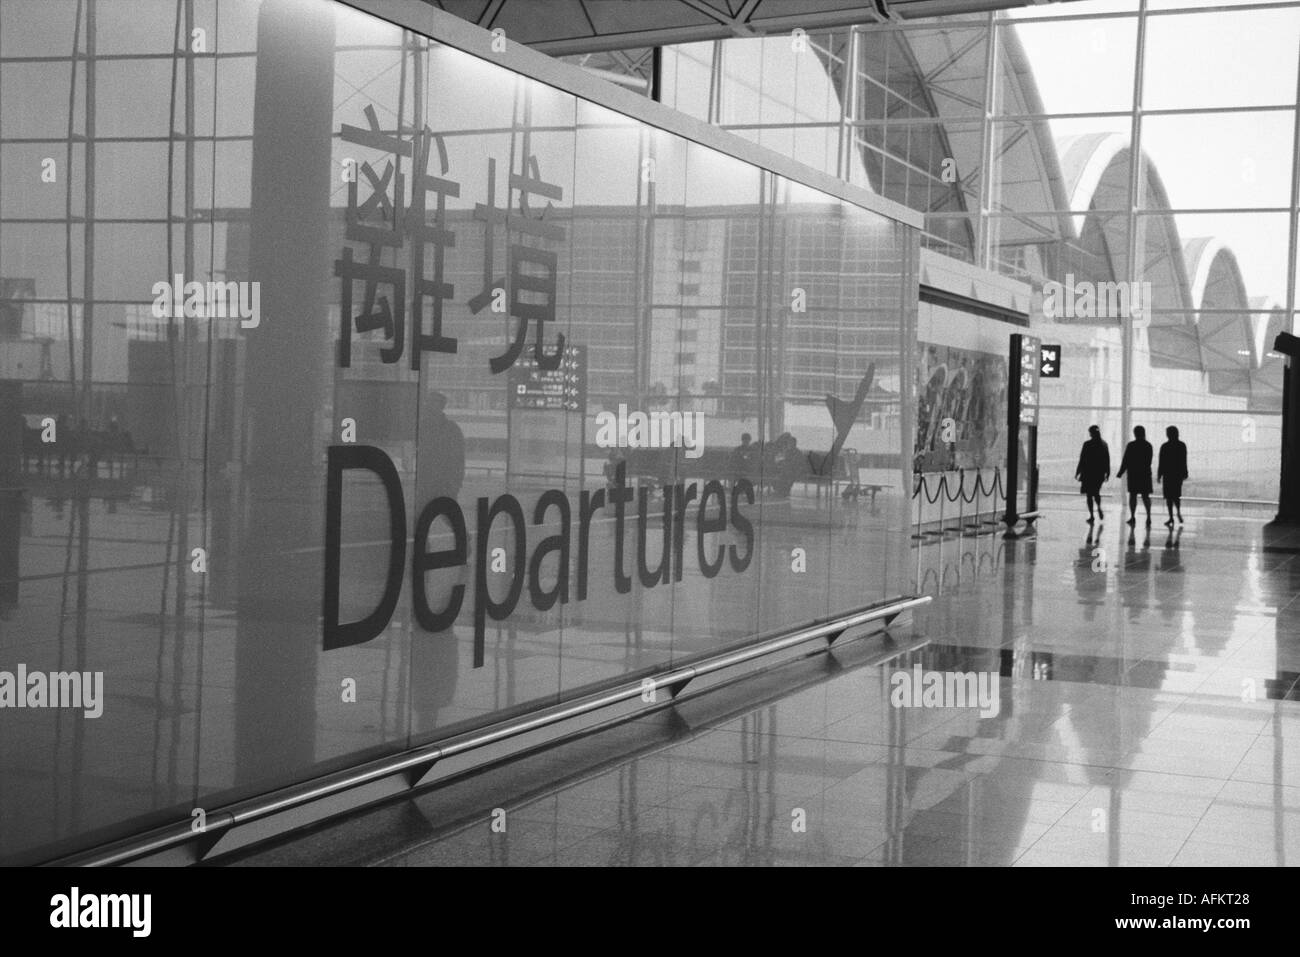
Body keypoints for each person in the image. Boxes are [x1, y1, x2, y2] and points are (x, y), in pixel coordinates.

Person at [1116, 425, 1154, 527]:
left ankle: (1133, 516)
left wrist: (1120, 472)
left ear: (1135, 434)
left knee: (1133, 496)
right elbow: (1149, 461)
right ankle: (1148, 516)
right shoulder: (1148, 445)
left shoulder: (1131, 445)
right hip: (1145, 474)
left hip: (1133, 474)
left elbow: (1126, 460)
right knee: (1145, 496)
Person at [1074, 424, 1110, 523]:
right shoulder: (1104, 444)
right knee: (1096, 492)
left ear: (1091, 433)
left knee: (1089, 495)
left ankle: (1091, 516)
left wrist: (1078, 471)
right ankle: (1098, 506)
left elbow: (1082, 459)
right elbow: (1107, 459)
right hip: (1099, 473)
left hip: (1088, 472)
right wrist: (1108, 472)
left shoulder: (1087, 444)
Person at [1157, 425, 1188, 527]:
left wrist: (1159, 474)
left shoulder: (1164, 446)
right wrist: (1185, 472)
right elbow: (1184, 460)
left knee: (1168, 497)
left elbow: (1161, 462)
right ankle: (1178, 512)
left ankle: (1171, 517)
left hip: (1167, 474)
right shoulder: (1182, 445)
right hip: (1177, 474)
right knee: (1176, 495)